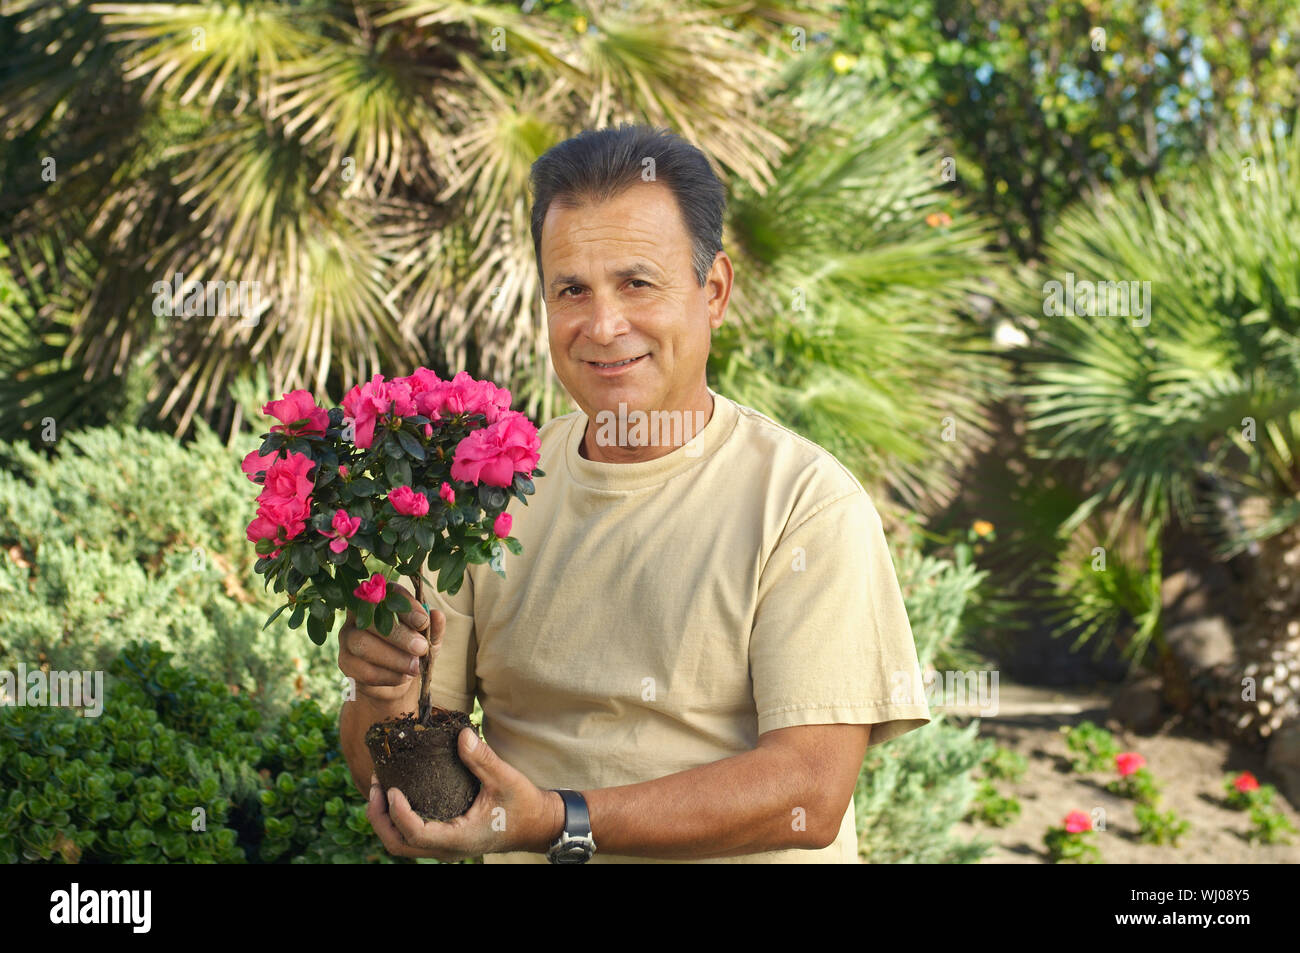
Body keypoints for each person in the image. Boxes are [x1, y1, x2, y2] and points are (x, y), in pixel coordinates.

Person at [338, 124, 932, 863]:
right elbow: (401, 774)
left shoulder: (804, 505)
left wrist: (559, 821)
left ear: (712, 291)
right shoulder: (487, 492)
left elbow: (810, 792)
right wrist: (383, 697)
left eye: (637, 283)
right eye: (572, 290)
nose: (603, 324)